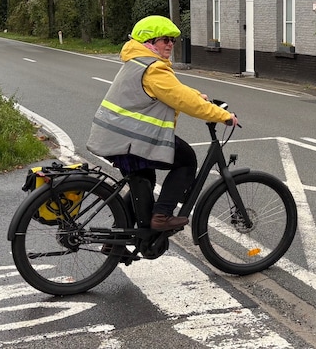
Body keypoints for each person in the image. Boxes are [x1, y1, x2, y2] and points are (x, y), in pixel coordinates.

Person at [86, 15, 236, 231]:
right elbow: (180, 98)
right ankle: (162, 217)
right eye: (165, 40)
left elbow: (174, 91)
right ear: (150, 42)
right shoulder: (153, 68)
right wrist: (222, 116)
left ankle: (118, 239)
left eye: (173, 40)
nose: (170, 44)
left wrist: (196, 95)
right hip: (129, 141)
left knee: (143, 181)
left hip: (117, 137)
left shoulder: (138, 61)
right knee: (185, 159)